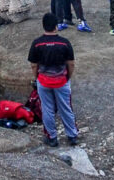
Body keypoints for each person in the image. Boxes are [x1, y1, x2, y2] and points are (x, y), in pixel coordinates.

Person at [27, 13, 79, 147]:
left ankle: (52, 138)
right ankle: (72, 136)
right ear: (56, 26)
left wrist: (37, 77)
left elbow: (34, 64)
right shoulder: (64, 43)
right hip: (61, 81)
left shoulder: (37, 44)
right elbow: (71, 63)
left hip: (44, 81)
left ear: (44, 26)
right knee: (66, 108)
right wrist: (68, 77)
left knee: (47, 109)